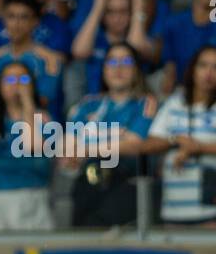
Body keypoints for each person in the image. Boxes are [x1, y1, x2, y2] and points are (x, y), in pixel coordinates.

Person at [61, 40, 165, 227]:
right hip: (88, 184)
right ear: (103, 69)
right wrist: (116, 139)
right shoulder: (87, 104)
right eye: (112, 62)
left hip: (128, 188)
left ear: (136, 70)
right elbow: (68, 151)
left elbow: (134, 144)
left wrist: (86, 148)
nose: (118, 68)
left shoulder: (146, 103)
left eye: (125, 62)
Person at [146, 44, 216, 225]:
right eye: (203, 65)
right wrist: (176, 140)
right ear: (193, 69)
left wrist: (197, 147)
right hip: (174, 207)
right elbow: (151, 143)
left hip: (211, 208)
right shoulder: (174, 102)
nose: (209, 72)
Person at [0, 59, 55, 230]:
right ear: (0, 86)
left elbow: (32, 146)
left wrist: (28, 104)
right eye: (10, 80)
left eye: (24, 80)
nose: (17, 85)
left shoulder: (45, 119)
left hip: (33, 195)